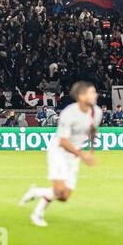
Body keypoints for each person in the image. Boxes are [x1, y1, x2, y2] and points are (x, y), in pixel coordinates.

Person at [19, 81, 102, 227]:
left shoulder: (97, 112)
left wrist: (92, 149)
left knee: (64, 196)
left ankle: (35, 192)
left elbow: (93, 129)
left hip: (74, 153)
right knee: (58, 189)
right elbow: (63, 141)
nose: (96, 95)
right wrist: (83, 155)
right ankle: (37, 214)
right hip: (59, 151)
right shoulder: (69, 113)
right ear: (82, 97)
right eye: (92, 92)